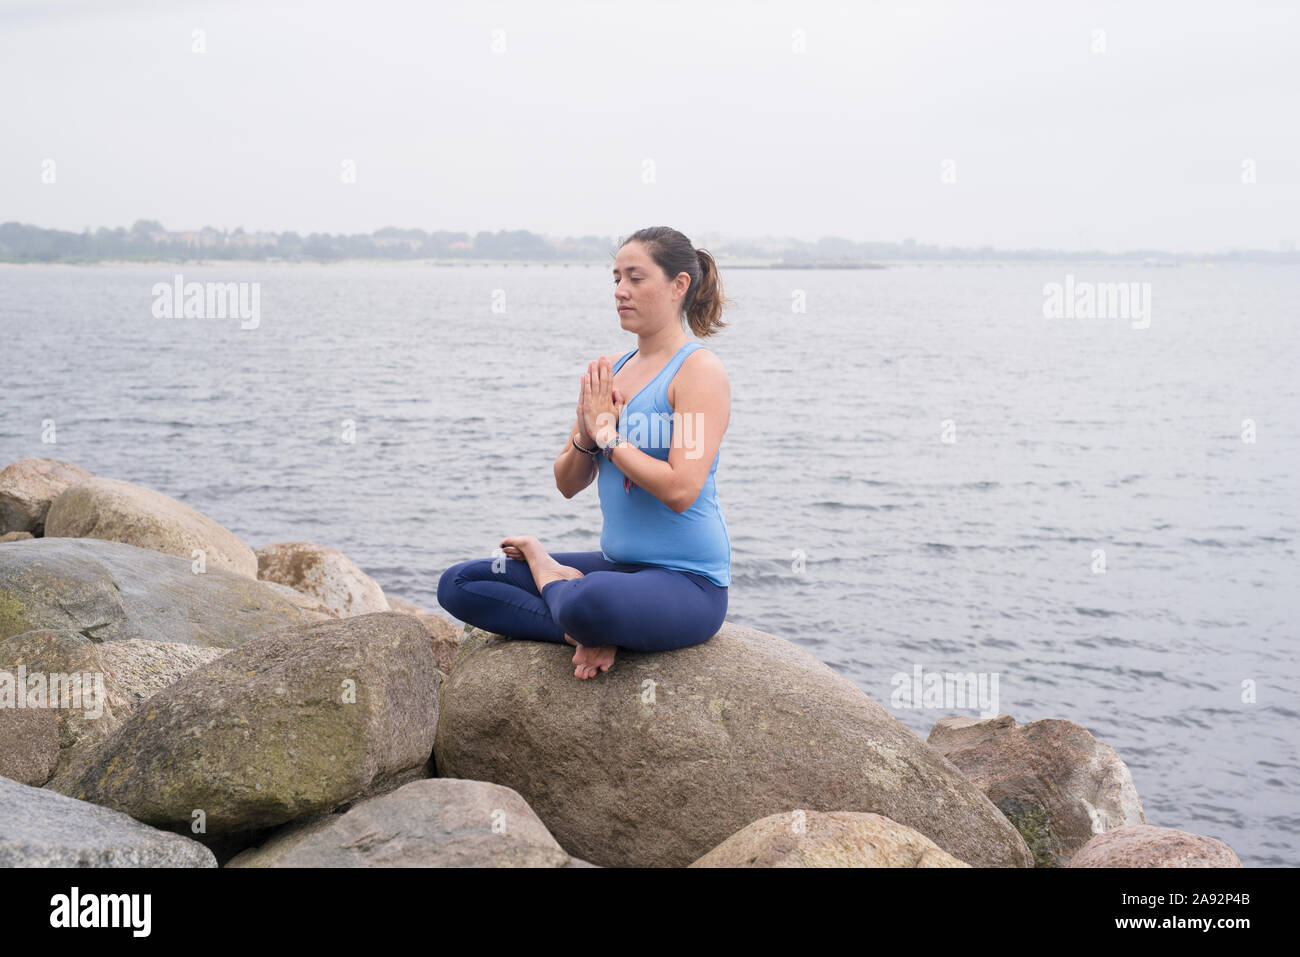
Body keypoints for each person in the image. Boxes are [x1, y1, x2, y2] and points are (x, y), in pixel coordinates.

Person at [437, 226, 733, 679]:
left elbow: (681, 489)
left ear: (679, 285)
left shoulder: (698, 372)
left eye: (635, 278)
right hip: (619, 568)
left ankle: (553, 579)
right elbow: (567, 483)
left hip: (687, 582)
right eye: (615, 278)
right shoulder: (610, 371)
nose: (620, 291)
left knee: (592, 600)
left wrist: (610, 436)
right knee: (461, 583)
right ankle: (584, 624)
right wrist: (586, 434)